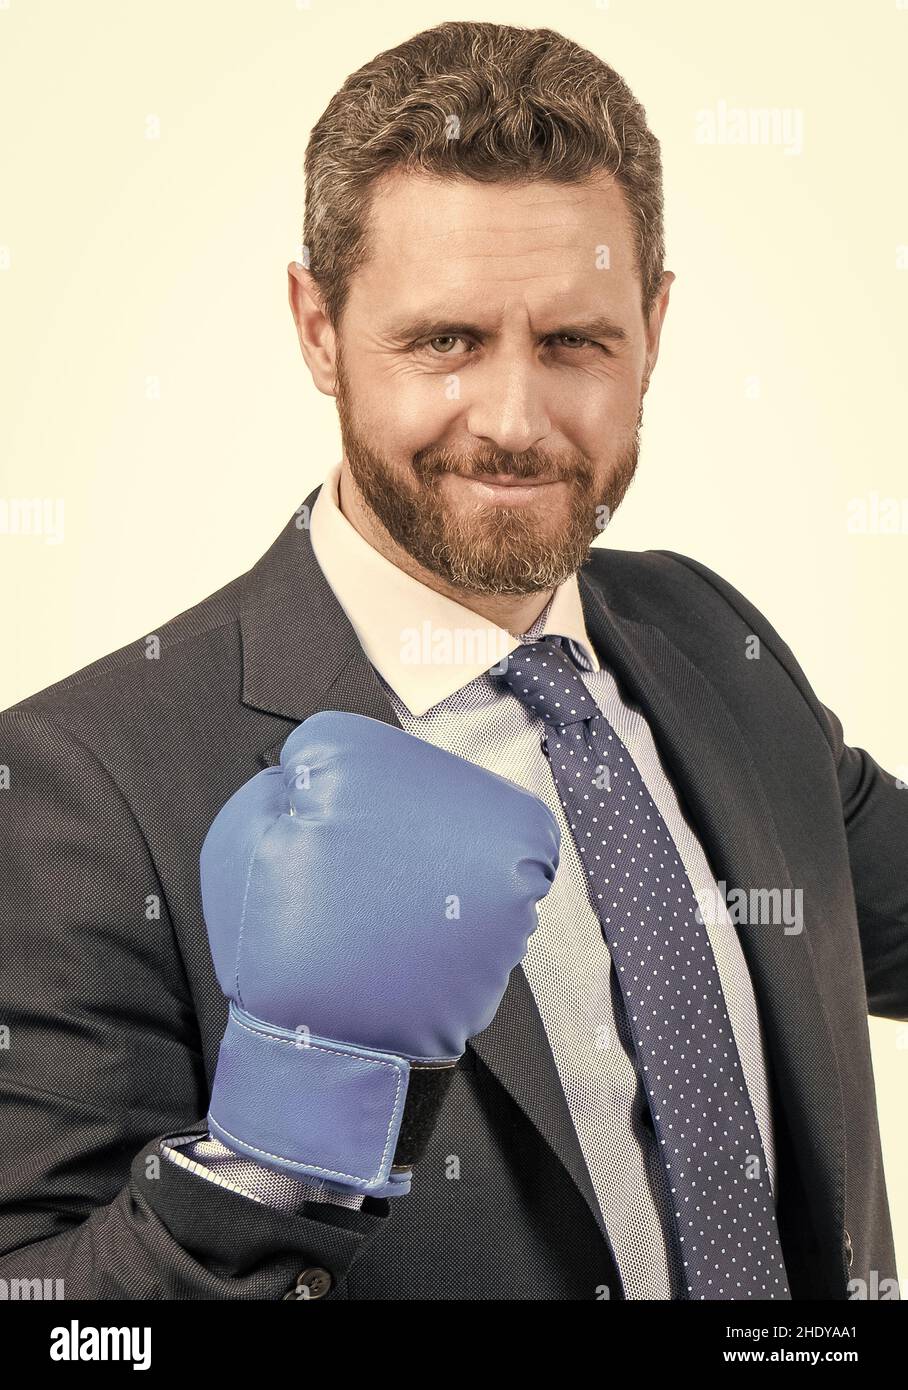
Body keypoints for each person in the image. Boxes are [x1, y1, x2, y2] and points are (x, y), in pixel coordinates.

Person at [0, 20, 904, 1302]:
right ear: (317, 326)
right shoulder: (83, 782)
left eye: (575, 343)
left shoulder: (713, 641)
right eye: (445, 342)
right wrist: (273, 1165)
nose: (516, 422)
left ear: (652, 325)